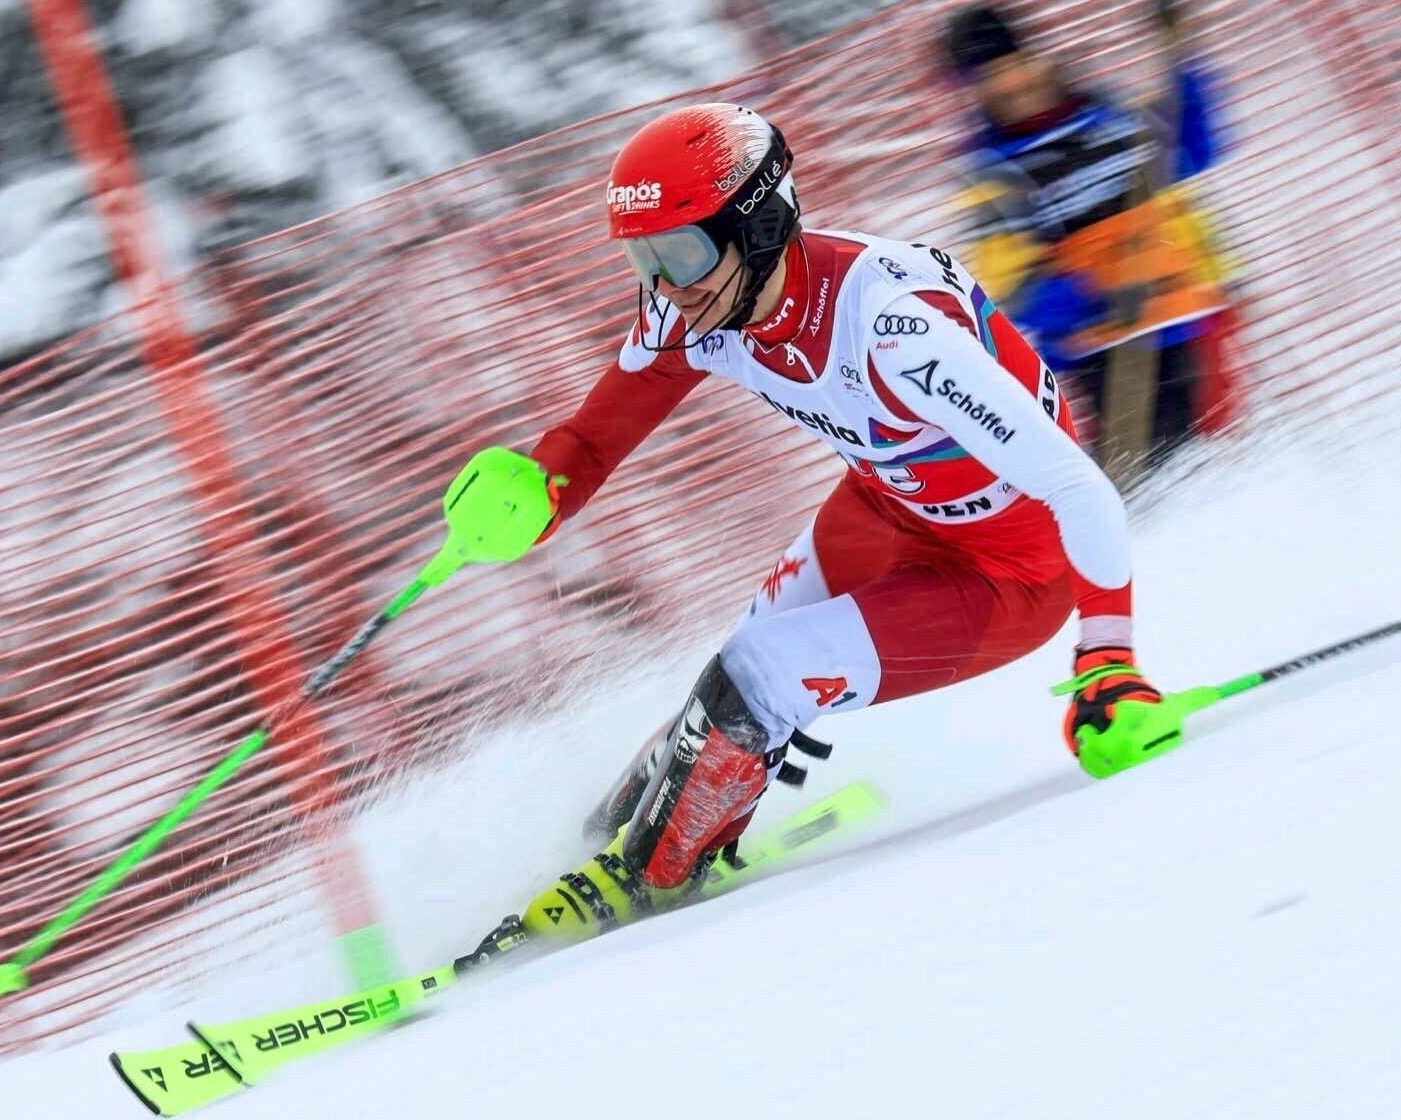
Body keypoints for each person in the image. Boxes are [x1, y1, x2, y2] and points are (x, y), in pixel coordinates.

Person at [441, 103, 1163, 942]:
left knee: (762, 671)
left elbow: (1080, 488)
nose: (667, 285)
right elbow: (594, 438)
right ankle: (607, 841)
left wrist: (1108, 658)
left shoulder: (897, 330)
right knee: (722, 696)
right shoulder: (695, 310)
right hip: (886, 512)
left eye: (681, 252)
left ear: (760, 224)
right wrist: (532, 493)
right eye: (645, 258)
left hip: (1007, 570)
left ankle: (652, 881)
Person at [944, 2, 1239, 479]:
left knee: (1220, 463)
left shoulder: (1111, 116)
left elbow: (1195, 149)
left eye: (1014, 65)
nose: (1010, 85)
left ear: (1034, 56)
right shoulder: (992, 173)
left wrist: (1180, 55)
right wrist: (1093, 298)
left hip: (1187, 321)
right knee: (1154, 481)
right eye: (989, 78)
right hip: (1108, 355)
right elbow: (1011, 283)